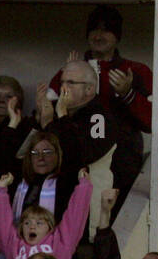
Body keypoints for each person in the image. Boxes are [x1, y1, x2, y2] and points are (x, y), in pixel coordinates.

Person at [40, 59, 143, 230]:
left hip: (87, 215)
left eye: (71, 83)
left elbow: (82, 155)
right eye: (62, 82)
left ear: (89, 89)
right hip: (54, 211)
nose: (63, 88)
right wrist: (46, 123)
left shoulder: (99, 116)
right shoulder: (59, 113)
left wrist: (59, 119)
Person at [50, 5, 158, 135]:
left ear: (117, 36)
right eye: (94, 30)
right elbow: (46, 119)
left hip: (123, 153)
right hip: (78, 152)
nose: (98, 36)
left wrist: (128, 94)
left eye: (105, 30)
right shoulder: (68, 72)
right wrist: (70, 89)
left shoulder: (137, 71)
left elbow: (156, 123)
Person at [0, 167, 91, 259]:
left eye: (39, 223)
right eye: (27, 223)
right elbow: (1, 222)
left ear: (49, 227)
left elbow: (75, 216)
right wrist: (1, 189)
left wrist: (83, 187)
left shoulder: (61, 242)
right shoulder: (12, 244)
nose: (32, 227)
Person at [5, 130, 78, 225]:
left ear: (58, 154)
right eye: (35, 153)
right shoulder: (16, 181)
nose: (41, 158)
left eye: (47, 152)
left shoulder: (67, 184)